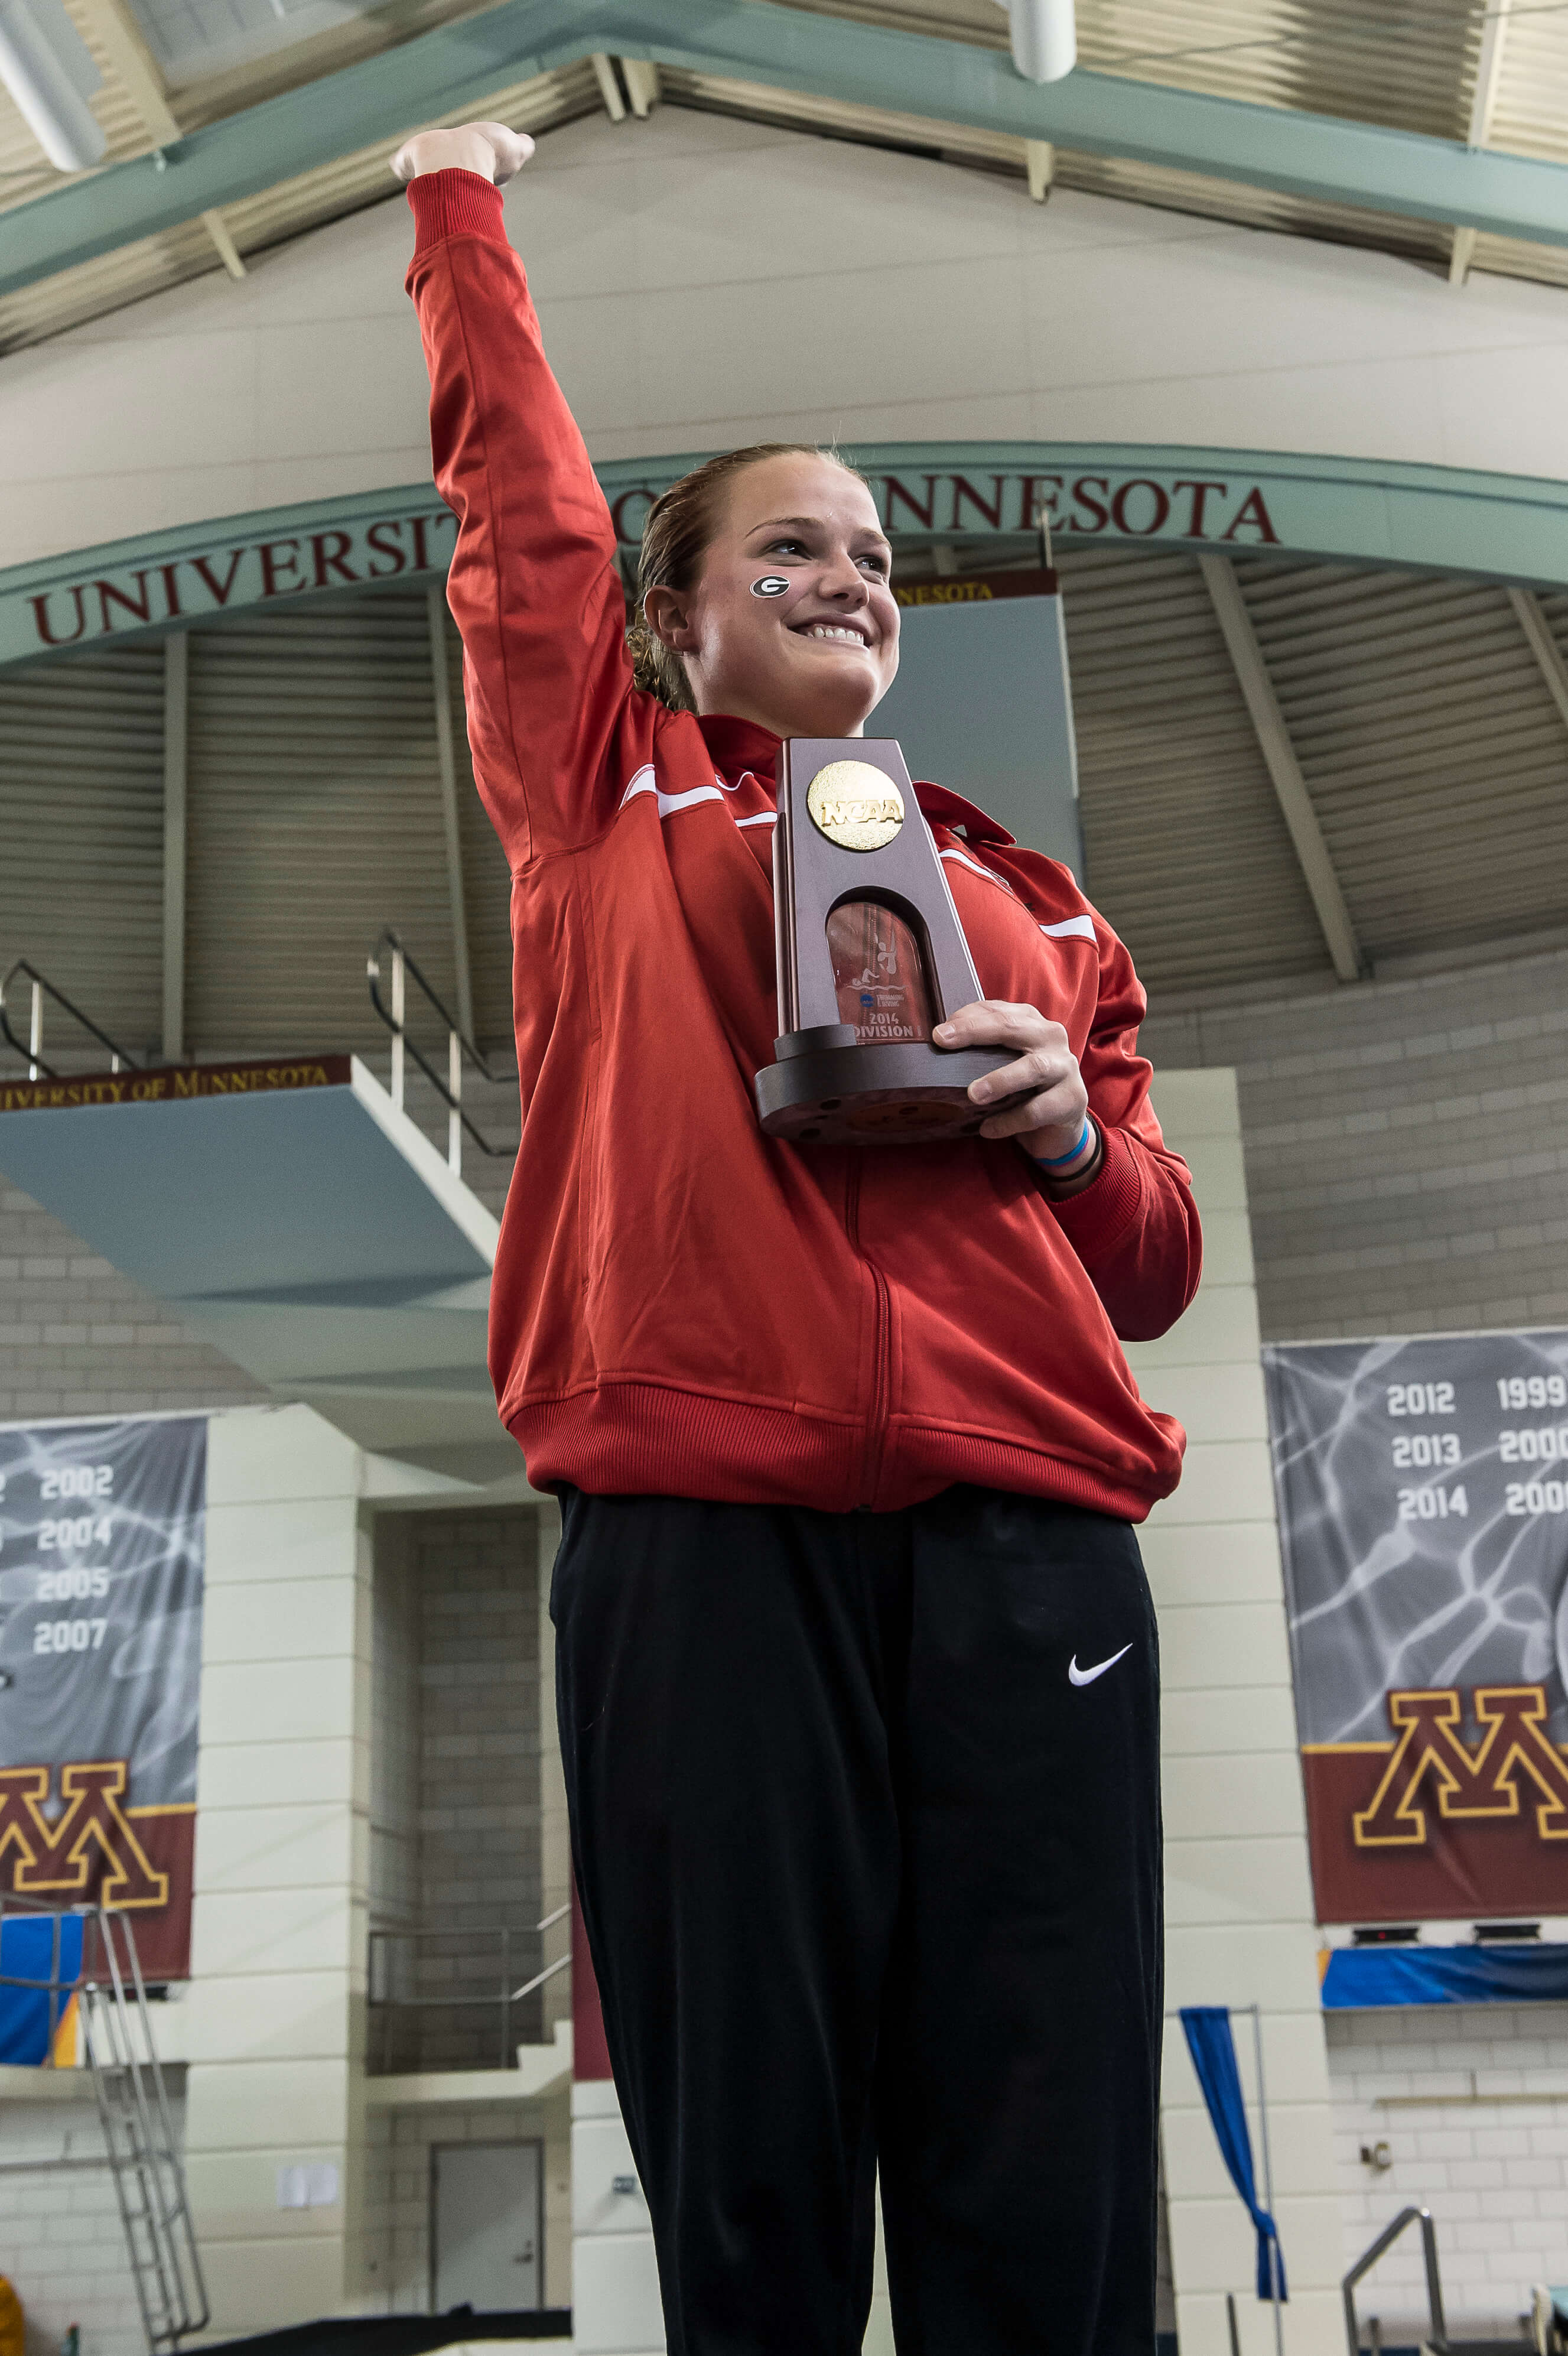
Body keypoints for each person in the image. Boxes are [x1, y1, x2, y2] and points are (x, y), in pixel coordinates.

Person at [393, 118, 1201, 2356]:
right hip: (698, 1546)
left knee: (1045, 2175)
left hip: (1028, 1546)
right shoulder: (607, 796)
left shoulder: (1043, 906)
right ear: (680, 610)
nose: (852, 572)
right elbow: (523, 532)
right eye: (792, 545)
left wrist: (1061, 1136)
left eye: (873, 551)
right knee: (746, 2177)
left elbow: (1149, 1263)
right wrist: (460, 222)